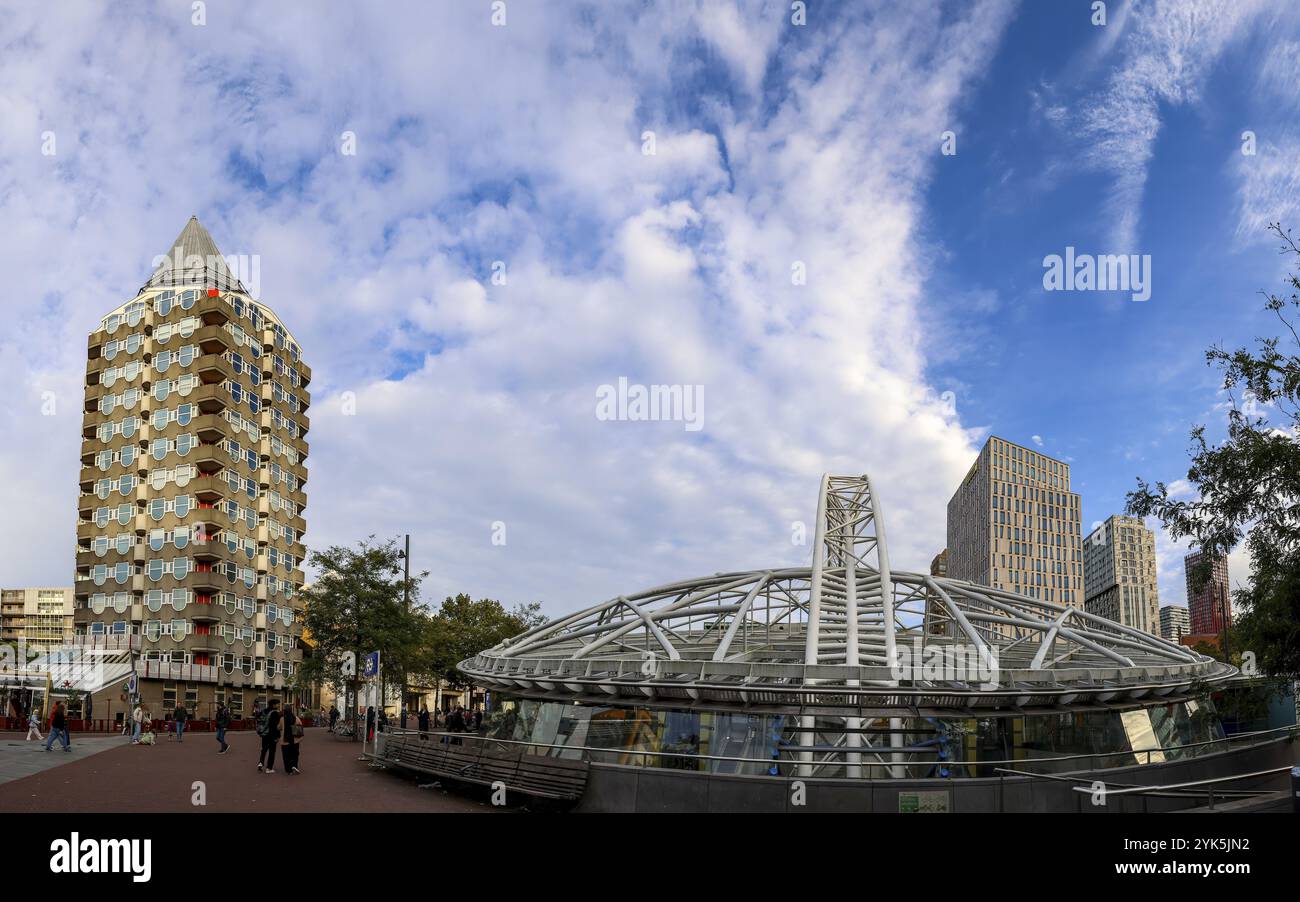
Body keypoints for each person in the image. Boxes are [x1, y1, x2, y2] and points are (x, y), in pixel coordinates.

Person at [258, 699, 282, 773]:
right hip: (272, 735)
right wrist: (277, 736)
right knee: (272, 751)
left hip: (264, 733)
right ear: (273, 705)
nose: (278, 705)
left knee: (264, 749)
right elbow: (275, 726)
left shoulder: (264, 711)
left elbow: (259, 719)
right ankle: (269, 768)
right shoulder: (275, 713)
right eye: (278, 704)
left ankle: (261, 763)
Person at [280, 703, 302, 775]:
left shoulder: (282, 719)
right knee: (295, 754)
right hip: (294, 741)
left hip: (285, 740)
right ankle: (294, 765)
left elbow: (278, 727)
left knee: (286, 756)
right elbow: (299, 729)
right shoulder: (296, 718)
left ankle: (288, 770)